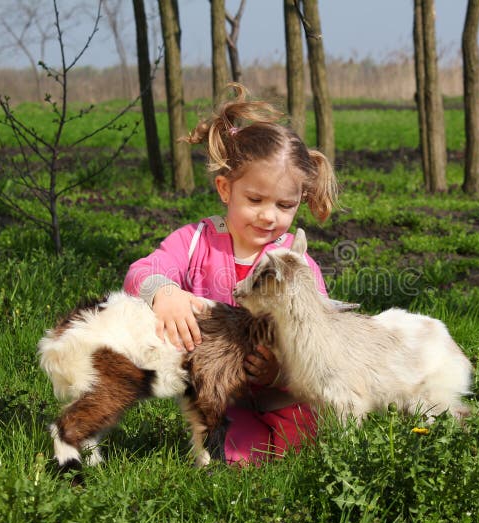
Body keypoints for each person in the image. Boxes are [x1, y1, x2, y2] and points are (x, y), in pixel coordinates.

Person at [123, 84, 339, 465]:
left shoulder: (294, 263)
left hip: (283, 390)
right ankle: (233, 450)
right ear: (226, 189)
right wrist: (165, 293)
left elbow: (319, 336)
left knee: (308, 441)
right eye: (254, 200)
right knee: (239, 455)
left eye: (285, 205)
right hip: (223, 392)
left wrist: (279, 372)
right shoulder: (195, 242)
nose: (268, 215)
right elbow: (143, 270)